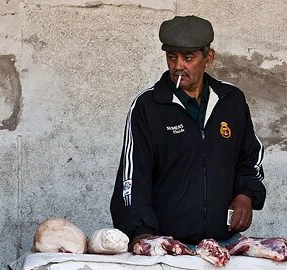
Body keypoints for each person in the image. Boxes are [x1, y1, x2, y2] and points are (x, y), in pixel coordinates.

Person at [110, 15, 266, 247]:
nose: (178, 66)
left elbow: (250, 157)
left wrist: (245, 195)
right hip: (169, 246)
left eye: (188, 58)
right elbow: (132, 177)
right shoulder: (148, 106)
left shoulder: (231, 101)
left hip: (225, 243)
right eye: (171, 57)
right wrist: (141, 234)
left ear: (208, 58)